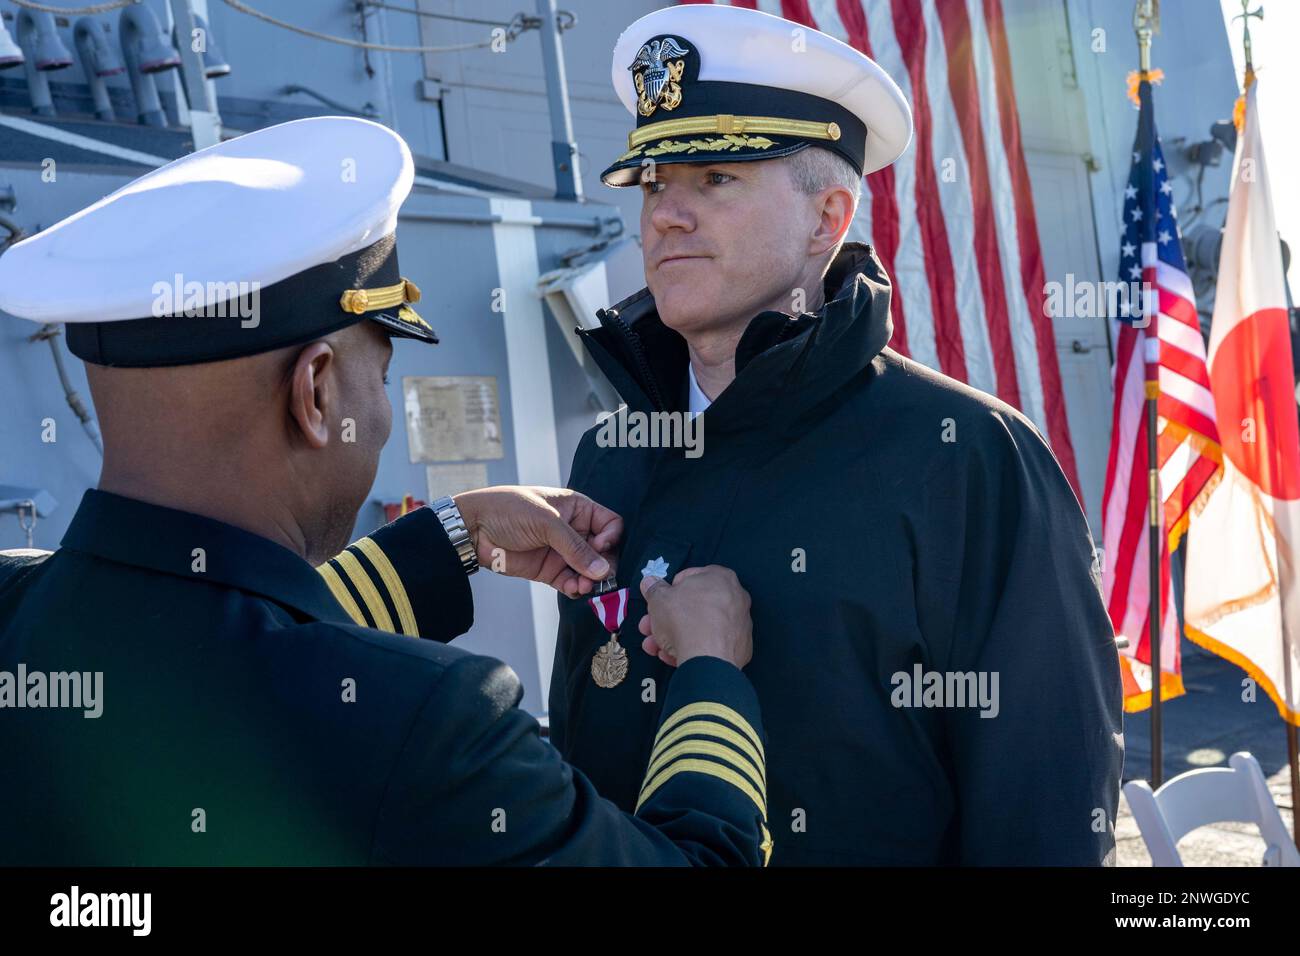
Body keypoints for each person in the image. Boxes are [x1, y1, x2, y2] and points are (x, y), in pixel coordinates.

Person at [0, 116, 769, 866]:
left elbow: (207, 645)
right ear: (317, 392)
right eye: (382, 376)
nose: (379, 417)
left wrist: (455, 536)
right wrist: (711, 672)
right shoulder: (435, 727)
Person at [546, 5, 1124, 865]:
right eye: (656, 181)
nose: (666, 214)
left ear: (828, 219)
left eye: (715, 180)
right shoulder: (611, 454)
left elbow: (1043, 810)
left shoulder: (966, 457)